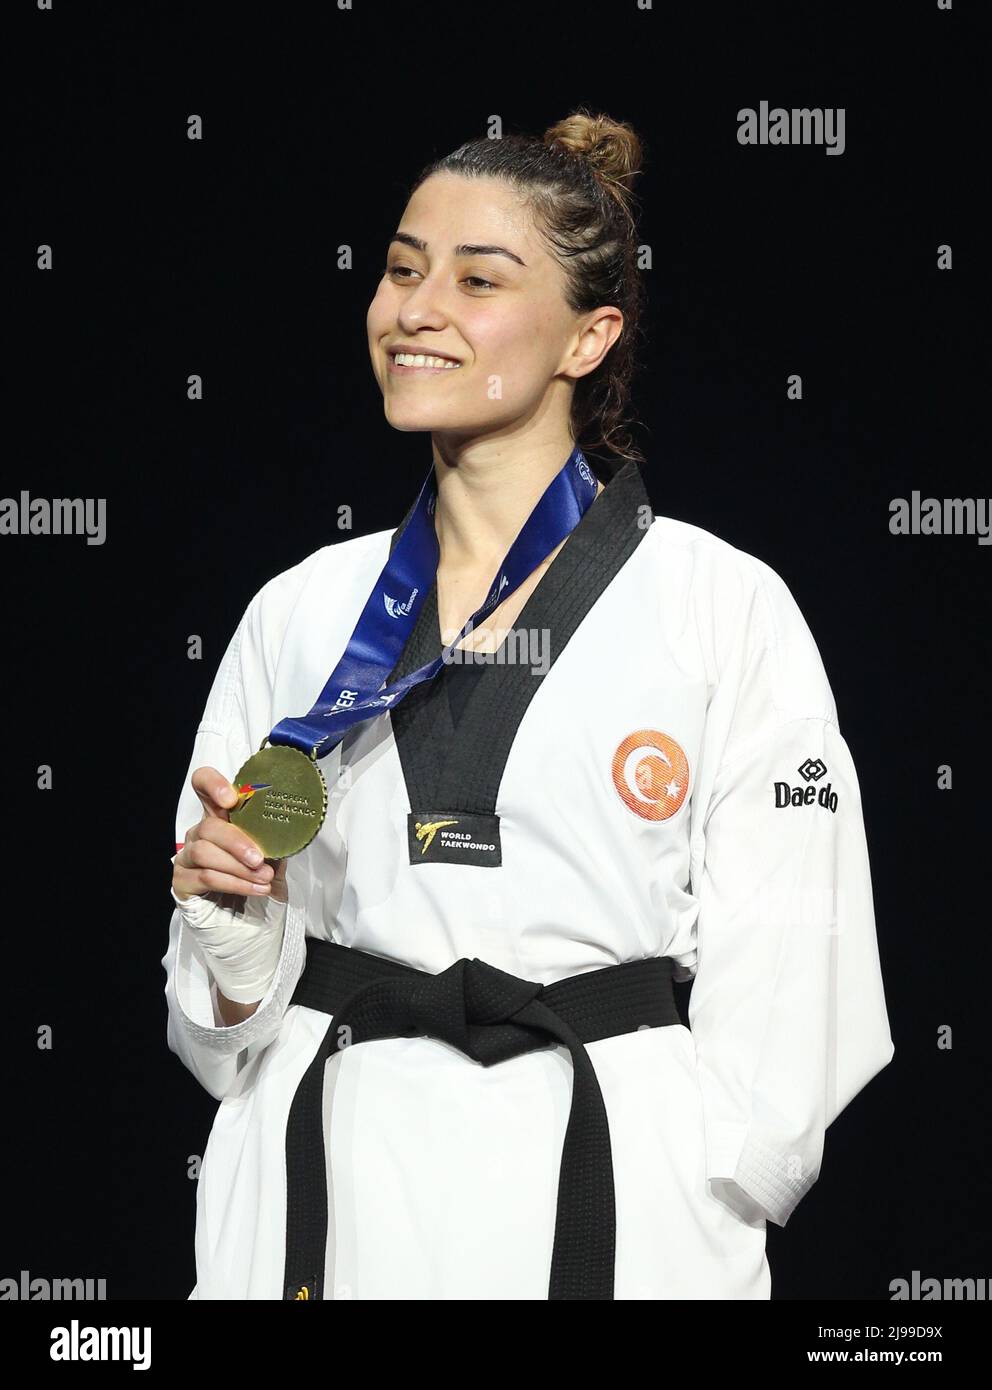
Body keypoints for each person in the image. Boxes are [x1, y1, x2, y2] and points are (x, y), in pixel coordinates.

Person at [163, 109, 894, 1300]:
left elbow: (798, 959)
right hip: (329, 1188)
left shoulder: (720, 605)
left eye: (476, 279)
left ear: (586, 337)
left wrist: (718, 1183)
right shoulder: (298, 611)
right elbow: (218, 1032)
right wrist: (229, 928)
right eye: (402, 269)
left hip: (610, 1190)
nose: (415, 308)